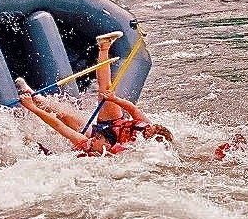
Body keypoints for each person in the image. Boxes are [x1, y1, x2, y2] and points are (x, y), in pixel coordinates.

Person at [16, 31, 173, 156]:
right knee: (107, 89)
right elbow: (133, 110)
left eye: (148, 133)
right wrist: (114, 99)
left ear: (152, 141)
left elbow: (60, 127)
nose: (147, 129)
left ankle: (33, 100)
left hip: (101, 139)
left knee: (65, 117)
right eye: (150, 128)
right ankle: (104, 47)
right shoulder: (146, 125)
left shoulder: (130, 151)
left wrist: (95, 144)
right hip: (114, 122)